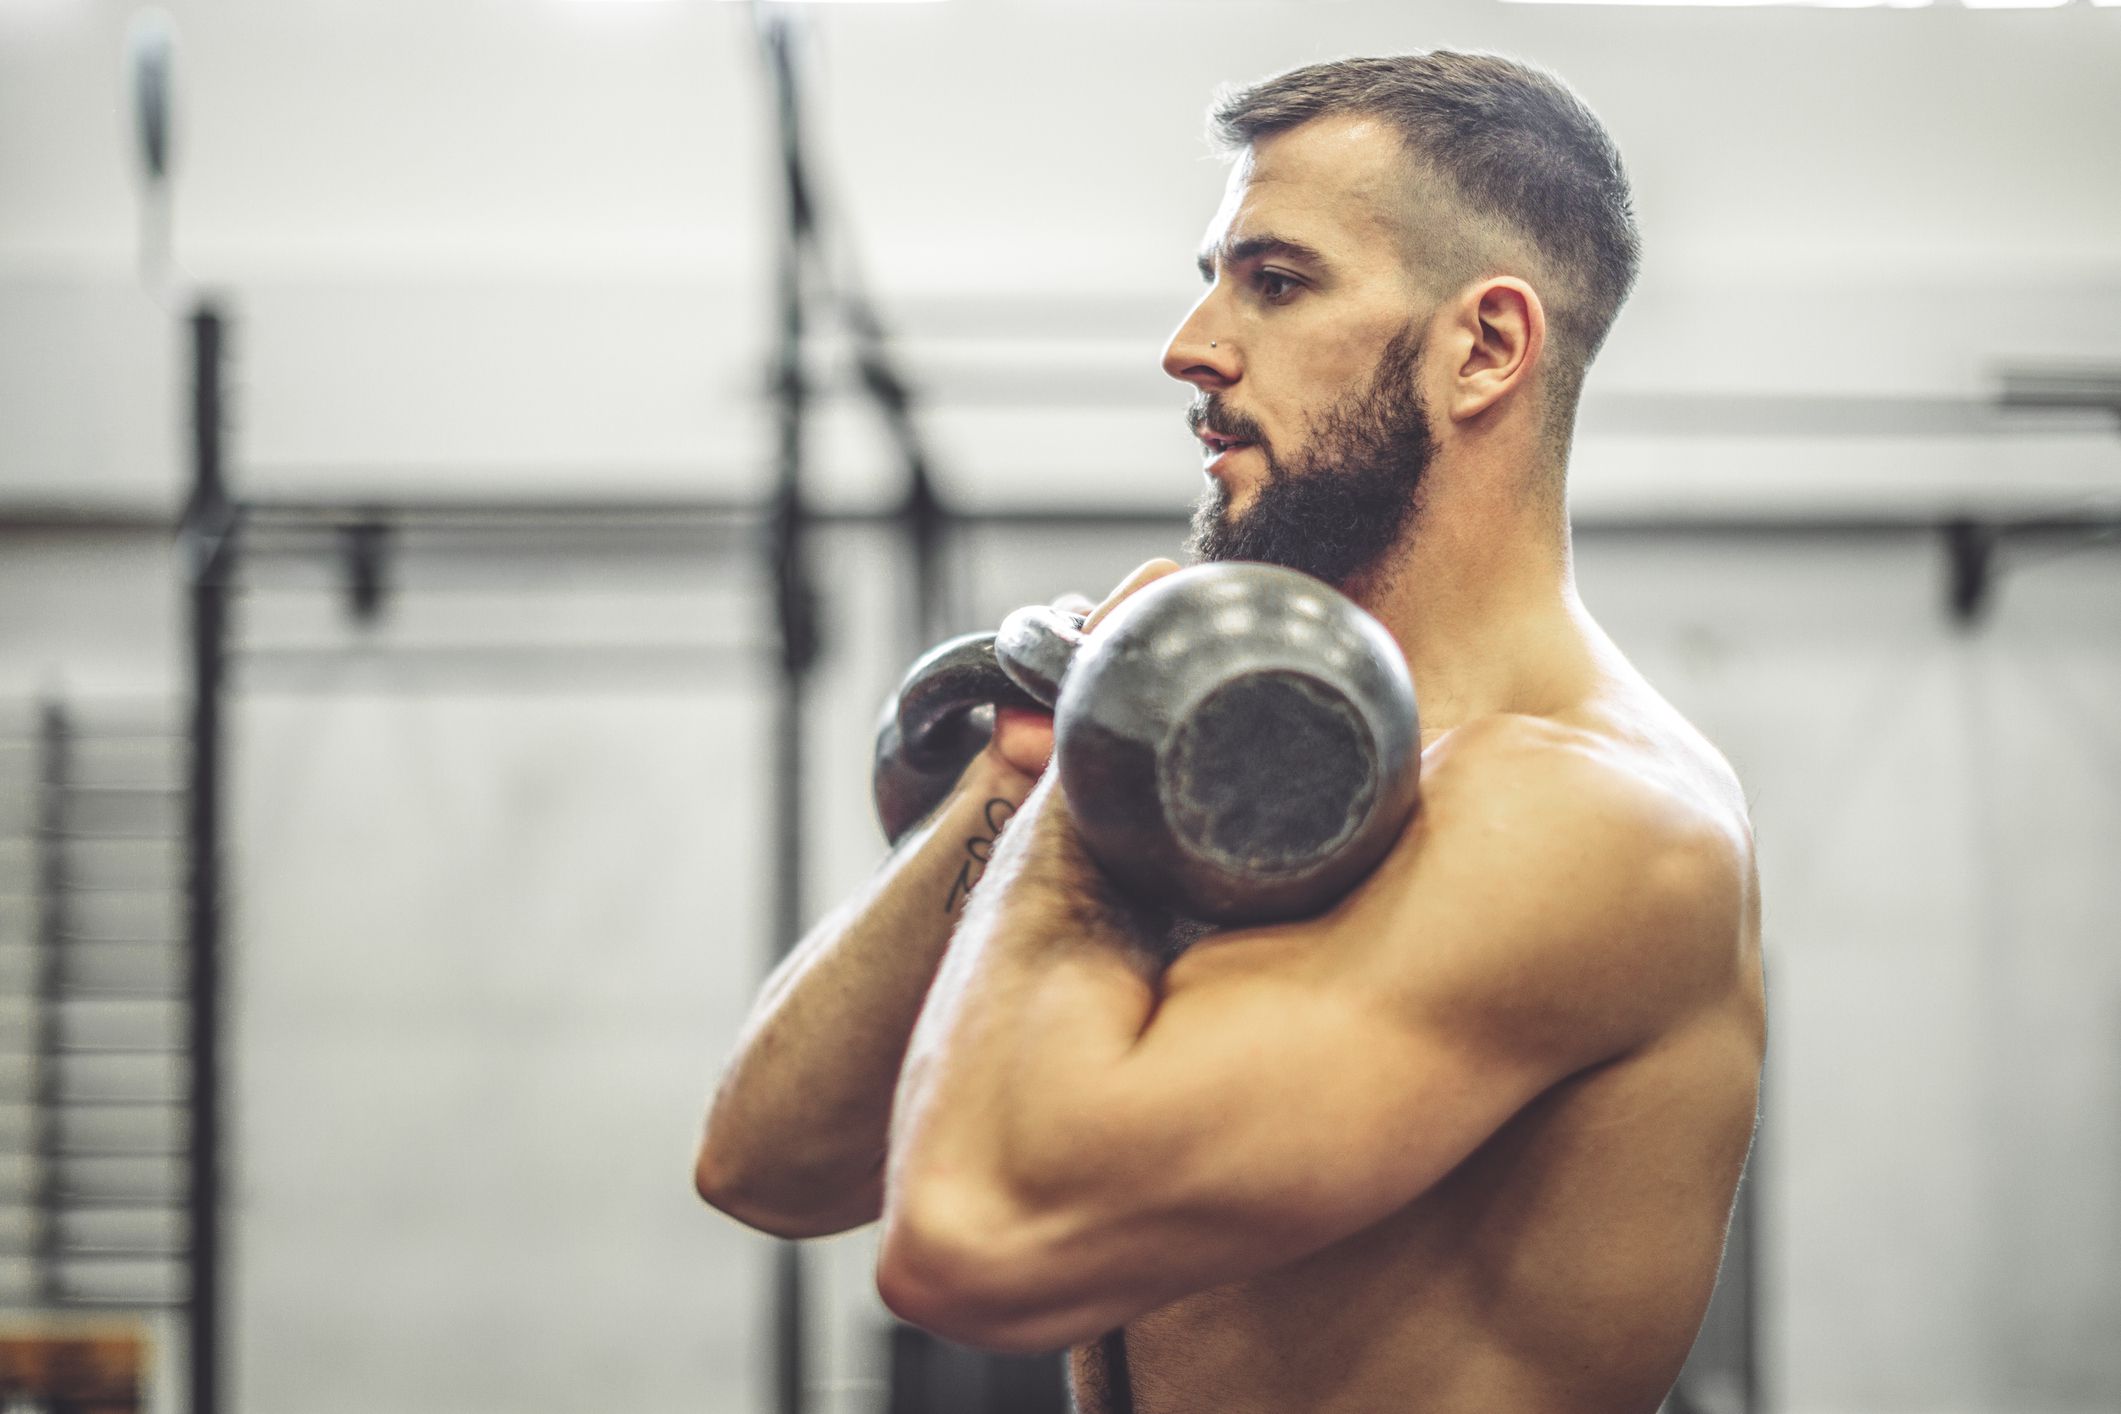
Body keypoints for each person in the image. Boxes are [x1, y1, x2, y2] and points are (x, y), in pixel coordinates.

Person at [696, 50, 1764, 1414]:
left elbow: (972, 1242)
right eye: (1213, 277)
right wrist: (1030, 770)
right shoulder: (1265, 775)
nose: (1190, 344)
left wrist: (1105, 764)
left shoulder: (1589, 818)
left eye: (1274, 280)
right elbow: (766, 1162)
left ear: (1484, 348)